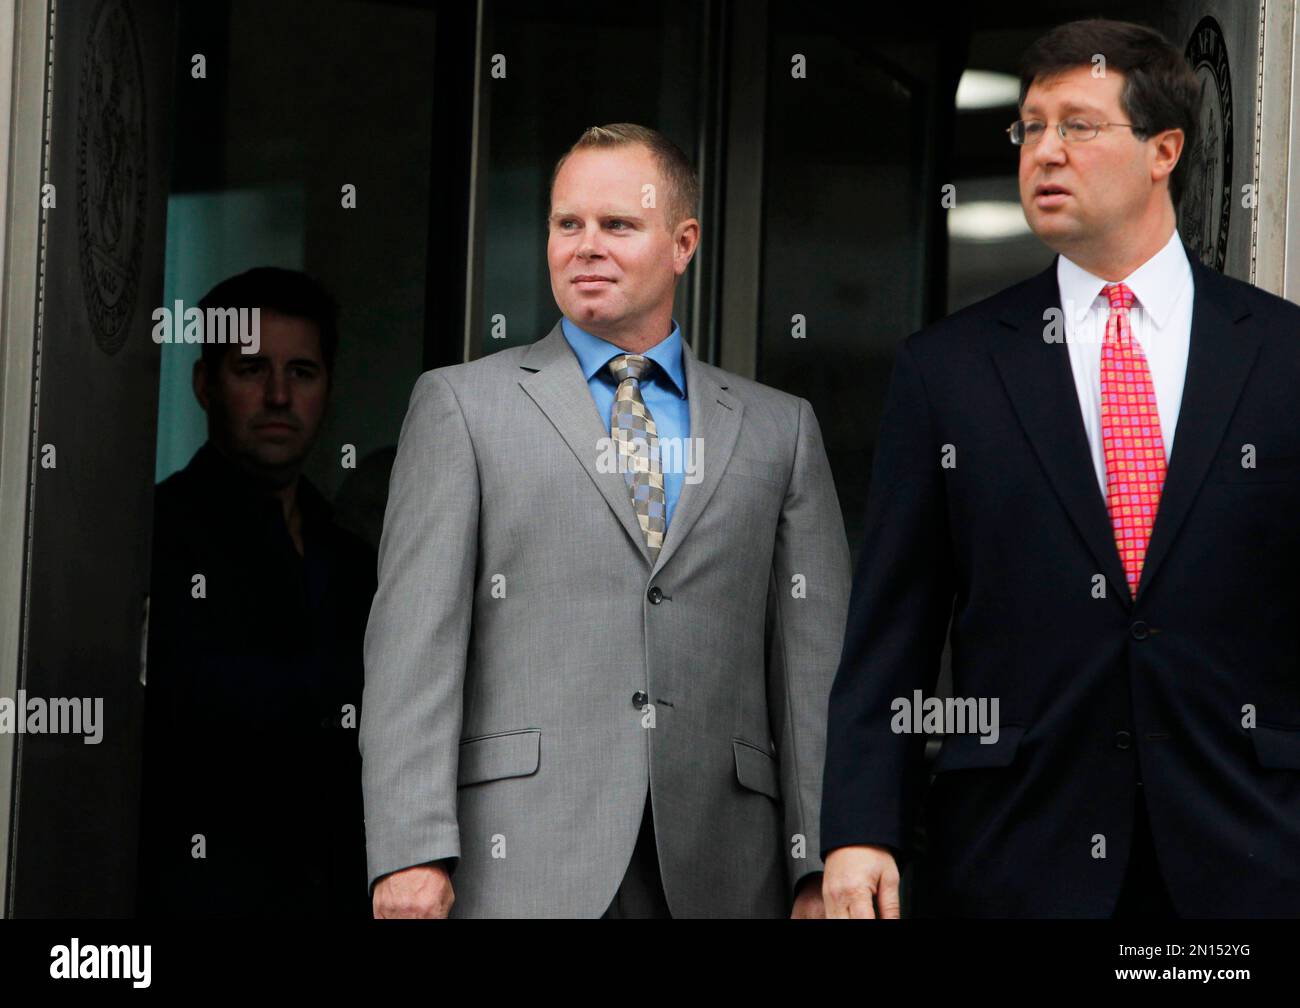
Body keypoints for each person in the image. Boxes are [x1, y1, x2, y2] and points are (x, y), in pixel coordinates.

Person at [821, 19, 1300, 918]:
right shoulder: (949, 369)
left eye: (1078, 126)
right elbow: (894, 627)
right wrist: (860, 829)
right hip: (1018, 850)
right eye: (1030, 127)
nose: (1044, 151)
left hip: (1247, 849)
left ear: (1164, 151)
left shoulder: (1280, 354)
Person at [361, 123, 850, 918]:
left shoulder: (779, 428)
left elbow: (812, 669)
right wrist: (411, 849)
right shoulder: (462, 405)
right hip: (520, 859)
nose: (587, 246)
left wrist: (819, 863)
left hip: (725, 867)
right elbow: (413, 648)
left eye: (618, 224)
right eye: (568, 223)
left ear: (683, 244)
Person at [139, 267, 374, 917]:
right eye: (251, 369)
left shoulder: (354, 559)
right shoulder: (151, 537)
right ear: (204, 385)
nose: (278, 395)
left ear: (327, 389)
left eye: (302, 372)